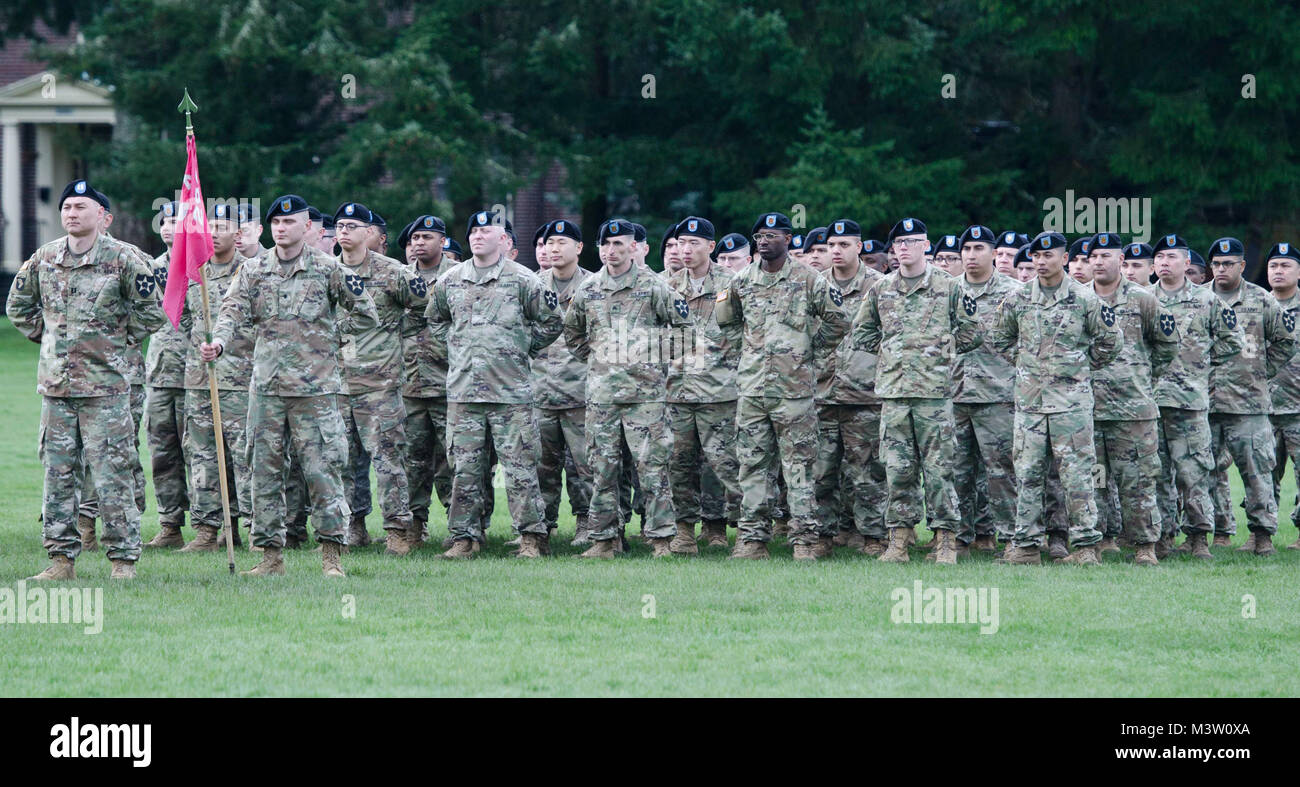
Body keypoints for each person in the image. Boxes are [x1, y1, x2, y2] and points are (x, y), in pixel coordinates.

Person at [201, 194, 378, 577]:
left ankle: (332, 555)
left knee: (323, 470)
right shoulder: (253, 270)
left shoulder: (327, 268)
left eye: (289, 223)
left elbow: (366, 313)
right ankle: (270, 557)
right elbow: (232, 311)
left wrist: (331, 337)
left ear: (307, 228)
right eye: (276, 224)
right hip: (266, 389)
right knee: (263, 471)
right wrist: (219, 341)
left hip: (315, 391)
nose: (282, 229)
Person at [7, 179, 167, 580]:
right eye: (67, 207)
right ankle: (61, 560)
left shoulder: (124, 259)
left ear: (103, 216)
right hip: (57, 389)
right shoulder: (44, 258)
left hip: (106, 389)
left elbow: (153, 311)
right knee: (58, 474)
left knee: (112, 473)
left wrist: (116, 340)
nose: (72, 213)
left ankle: (123, 560)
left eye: (81, 207)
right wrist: (49, 339)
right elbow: (17, 305)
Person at [426, 210, 562, 559]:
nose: (477, 236)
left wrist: (521, 348)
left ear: (504, 241)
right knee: (465, 470)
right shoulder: (451, 279)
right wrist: (458, 348)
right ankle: (464, 537)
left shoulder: (523, 280)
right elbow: (436, 320)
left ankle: (532, 537)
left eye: (487, 231)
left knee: (519, 470)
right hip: (465, 392)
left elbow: (552, 321)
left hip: (510, 393)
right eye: (473, 231)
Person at [715, 211, 847, 560]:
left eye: (772, 235)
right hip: (753, 390)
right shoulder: (742, 280)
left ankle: (804, 540)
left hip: (795, 392)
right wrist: (747, 354)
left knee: (800, 468)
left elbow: (837, 320)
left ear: (788, 239)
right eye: (759, 235)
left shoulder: (809, 279)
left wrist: (809, 351)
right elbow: (727, 324)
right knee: (753, 466)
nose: (763, 240)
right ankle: (753, 540)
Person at [852, 217, 980, 564]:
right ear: (893, 249)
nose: (905, 247)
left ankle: (945, 542)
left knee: (940, 470)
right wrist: (894, 350)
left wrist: (939, 352)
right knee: (897, 469)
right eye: (900, 242)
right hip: (894, 393)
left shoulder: (949, 286)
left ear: (927, 245)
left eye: (913, 240)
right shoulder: (881, 288)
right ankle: (898, 541)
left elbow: (973, 332)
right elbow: (861, 332)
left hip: (934, 395)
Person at [991, 231, 1121, 565]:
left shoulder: (1084, 298)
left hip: (1071, 405)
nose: (1041, 261)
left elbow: (1111, 342)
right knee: (1028, 473)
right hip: (1030, 404)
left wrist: (1078, 368)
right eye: (1036, 256)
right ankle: (1026, 545)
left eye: (1048, 256)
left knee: (1077, 476)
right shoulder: (1019, 297)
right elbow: (1000, 338)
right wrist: (1025, 367)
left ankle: (1086, 547)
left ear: (1064, 259)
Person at [563, 219, 690, 557]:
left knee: (652, 470)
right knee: (602, 469)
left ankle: (662, 539)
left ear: (634, 247)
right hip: (603, 398)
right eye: (605, 245)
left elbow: (686, 329)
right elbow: (574, 335)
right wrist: (601, 361)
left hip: (645, 399)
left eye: (619, 244)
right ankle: (605, 540)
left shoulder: (653, 287)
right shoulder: (588, 290)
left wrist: (651, 361)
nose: (611, 251)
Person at [333, 202, 427, 555]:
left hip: (380, 387)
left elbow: (424, 309)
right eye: (340, 225)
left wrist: (394, 334)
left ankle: (397, 531)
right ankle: (349, 528)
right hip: (338, 385)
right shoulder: (327, 270)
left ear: (369, 233)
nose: (344, 231)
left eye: (352, 226)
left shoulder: (393, 272)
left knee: (388, 462)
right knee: (340, 463)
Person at [1148, 234, 1243, 556]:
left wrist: (1202, 366)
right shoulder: (1143, 299)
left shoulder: (1207, 300)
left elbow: (1232, 341)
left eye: (1171, 257)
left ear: (1187, 263)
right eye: (1159, 257)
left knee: (1194, 473)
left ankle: (1199, 537)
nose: (1164, 262)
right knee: (1156, 473)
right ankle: (1161, 536)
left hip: (1189, 402)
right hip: (1151, 402)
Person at [1087, 232, 1179, 564]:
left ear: (1121, 262)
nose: (1098, 262)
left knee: (1138, 481)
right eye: (1093, 256)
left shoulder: (1144, 299)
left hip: (1133, 412)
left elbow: (1168, 345)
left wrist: (1142, 375)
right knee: (1092, 481)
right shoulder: (1079, 299)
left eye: (1105, 256)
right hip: (1088, 410)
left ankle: (1144, 546)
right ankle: (1092, 544)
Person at [1205, 236, 1295, 554]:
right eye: (1216, 263)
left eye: (1228, 264)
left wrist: (1262, 372)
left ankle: (1262, 534)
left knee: (1257, 471)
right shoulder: (1200, 298)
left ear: (1242, 265)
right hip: (1206, 402)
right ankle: (1206, 534)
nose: (1221, 269)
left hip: (1249, 403)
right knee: (1204, 470)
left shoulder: (1260, 299)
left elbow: (1285, 341)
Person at [178, 202, 254, 552]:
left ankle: (255, 529)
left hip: (241, 378)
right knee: (203, 455)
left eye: (222, 226)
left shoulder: (252, 272)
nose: (214, 233)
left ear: (237, 234)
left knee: (245, 455)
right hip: (200, 377)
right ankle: (209, 529)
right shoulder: (195, 272)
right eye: (209, 227)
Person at [664, 216, 743, 552]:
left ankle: (717, 526)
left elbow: (748, 330)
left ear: (711, 247)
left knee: (722, 463)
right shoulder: (664, 285)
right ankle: (683, 528)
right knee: (678, 462)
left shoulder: (733, 283)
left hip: (719, 390)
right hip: (676, 391)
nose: (685, 249)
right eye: (681, 242)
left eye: (694, 243)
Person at [813, 219, 886, 555]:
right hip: (821, 392)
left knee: (867, 473)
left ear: (859, 247)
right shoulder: (814, 285)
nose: (837, 251)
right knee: (821, 471)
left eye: (844, 245)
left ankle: (872, 536)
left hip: (865, 394)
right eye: (832, 245)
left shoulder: (880, 286)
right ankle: (823, 536)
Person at [951, 224, 1022, 553]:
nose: (971, 255)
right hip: (953, 395)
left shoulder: (1015, 291)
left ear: (994, 253)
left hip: (998, 396)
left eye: (979, 248)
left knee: (1001, 473)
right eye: (966, 249)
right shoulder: (947, 290)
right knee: (955, 471)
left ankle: (1011, 539)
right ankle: (957, 539)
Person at [531, 220, 596, 545]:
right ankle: (541, 528)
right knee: (541, 467)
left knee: (585, 468)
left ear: (579, 248)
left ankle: (587, 525)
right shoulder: (531, 284)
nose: (553, 248)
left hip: (581, 392)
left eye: (560, 242)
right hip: (539, 392)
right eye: (548, 243)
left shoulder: (594, 286)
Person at [401, 215, 457, 545]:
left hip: (450, 382)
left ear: (442, 241)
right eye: (415, 237)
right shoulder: (401, 277)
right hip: (409, 382)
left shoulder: (458, 276)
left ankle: (458, 526)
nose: (419, 242)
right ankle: (414, 524)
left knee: (452, 459)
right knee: (412, 458)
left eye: (427, 237)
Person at [1265, 242, 1300, 550]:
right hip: (1263, 407)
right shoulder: (1257, 305)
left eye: (1285, 265)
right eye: (1274, 266)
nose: (1278, 270)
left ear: (1299, 272)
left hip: (1299, 408)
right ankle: (1261, 534)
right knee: (1263, 475)